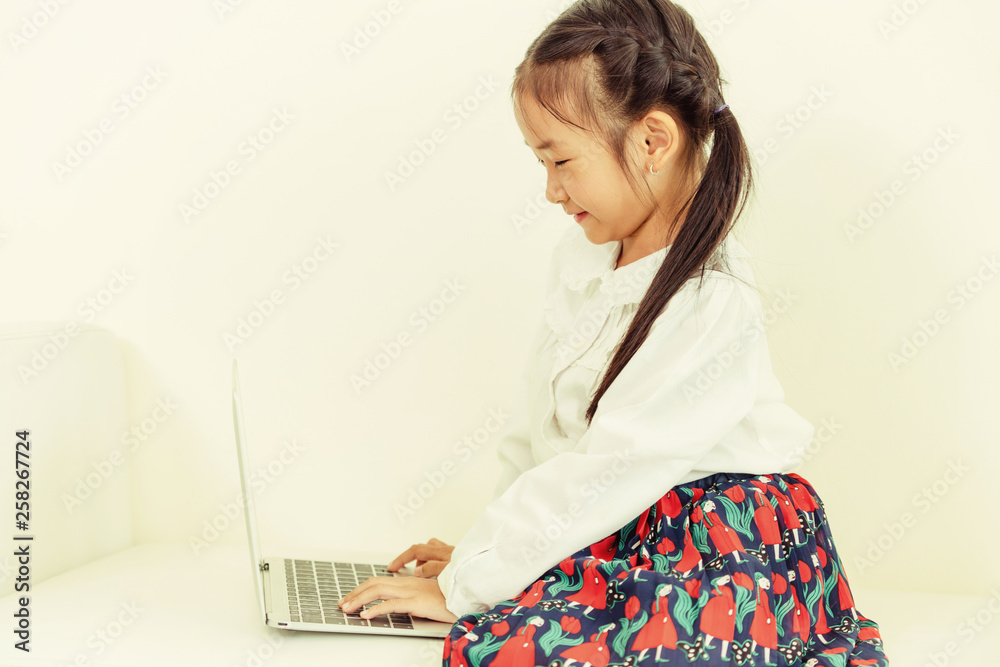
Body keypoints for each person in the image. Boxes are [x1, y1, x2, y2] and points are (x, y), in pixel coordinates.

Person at [337, 0, 891, 664]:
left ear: (653, 141)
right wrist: (485, 556)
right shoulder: (584, 259)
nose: (549, 189)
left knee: (535, 650)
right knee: (510, 625)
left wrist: (467, 586)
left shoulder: (711, 294)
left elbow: (613, 468)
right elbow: (540, 432)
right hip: (622, 523)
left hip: (724, 539)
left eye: (561, 160)